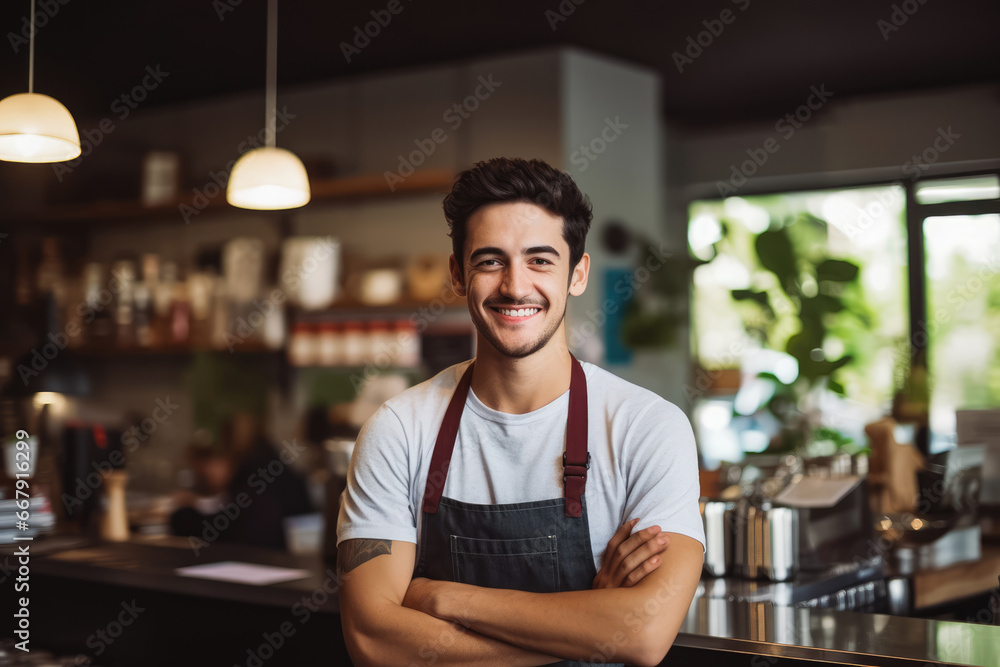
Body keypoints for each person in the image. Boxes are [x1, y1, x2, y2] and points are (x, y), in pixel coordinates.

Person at [336, 157, 705, 666]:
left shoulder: (648, 429)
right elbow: (374, 641)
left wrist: (442, 599)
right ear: (457, 275)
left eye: (540, 260)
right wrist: (588, 625)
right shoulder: (398, 430)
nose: (514, 286)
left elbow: (643, 634)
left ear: (577, 274)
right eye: (489, 260)